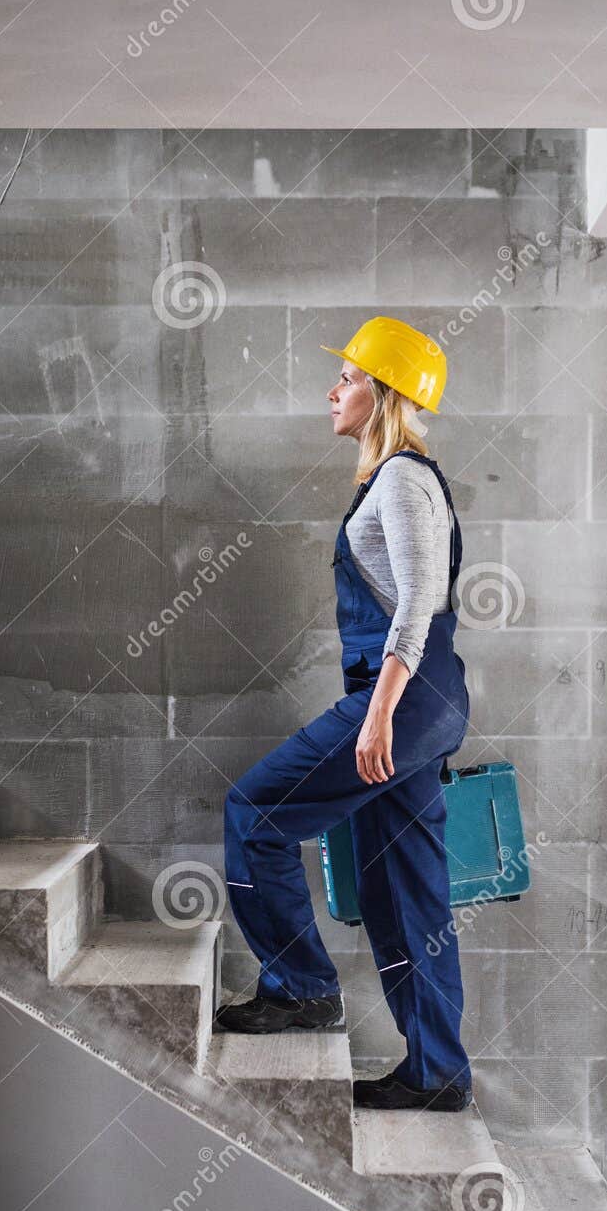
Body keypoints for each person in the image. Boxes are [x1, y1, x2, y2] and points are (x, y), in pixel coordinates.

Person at [214, 316, 473, 1111]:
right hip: (420, 701)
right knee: (405, 893)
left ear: (385, 392)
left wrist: (377, 716)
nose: (334, 389)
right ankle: (436, 1074)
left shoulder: (400, 477)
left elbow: (420, 604)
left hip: (402, 698)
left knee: (256, 811)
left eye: (350, 378)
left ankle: (299, 987)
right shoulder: (397, 477)